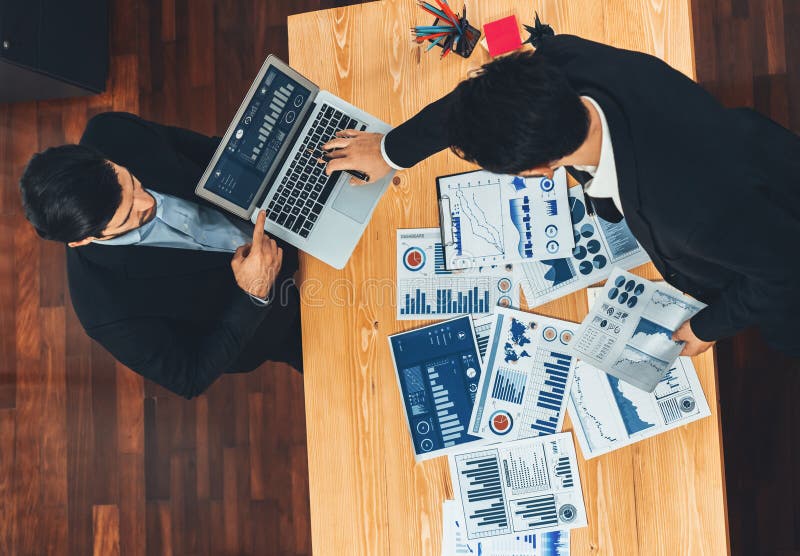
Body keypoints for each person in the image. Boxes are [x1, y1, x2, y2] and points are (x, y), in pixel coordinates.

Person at [320, 33, 800, 357]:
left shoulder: (682, 216)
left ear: (535, 171)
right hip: (754, 150)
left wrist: (706, 328)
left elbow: (782, 271)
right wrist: (390, 151)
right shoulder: (565, 59)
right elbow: (486, 99)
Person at [19, 112, 303, 399]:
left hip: (286, 213)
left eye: (131, 181)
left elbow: (209, 154)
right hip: (275, 321)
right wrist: (253, 295)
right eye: (129, 214)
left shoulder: (111, 131)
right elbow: (190, 376)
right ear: (84, 240)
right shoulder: (104, 311)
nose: (148, 201)